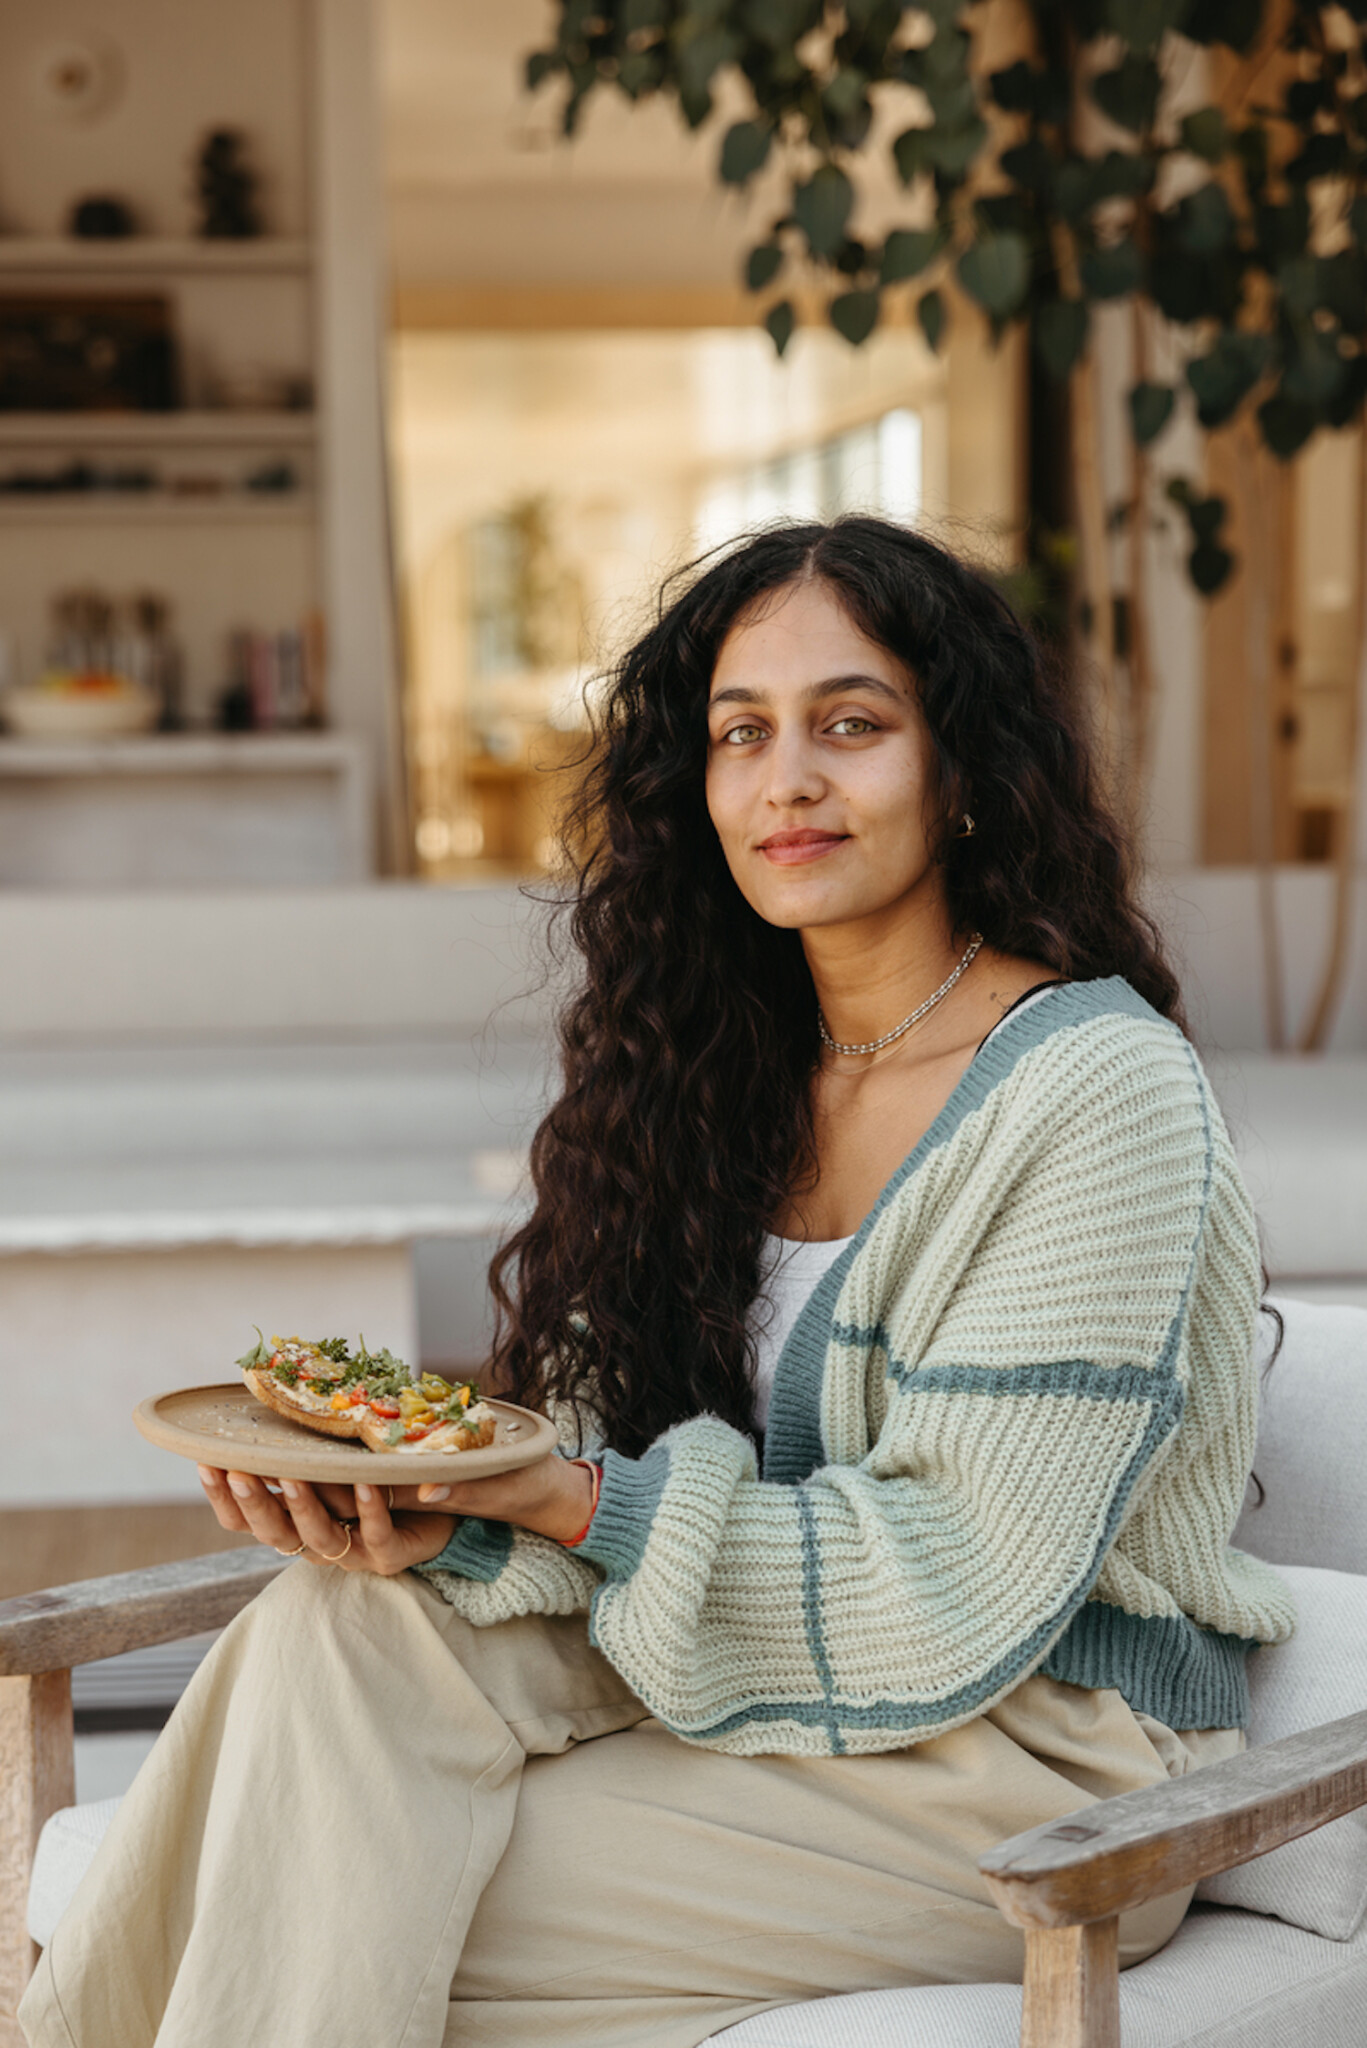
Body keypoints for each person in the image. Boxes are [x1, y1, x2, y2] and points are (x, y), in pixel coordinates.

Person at [21, 519, 1295, 2048]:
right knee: (336, 1626)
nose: (787, 781)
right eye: (740, 735)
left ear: (965, 769)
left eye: (852, 724)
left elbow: (956, 1573)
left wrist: (567, 1501)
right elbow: (595, 1480)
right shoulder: (720, 1077)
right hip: (752, 1698)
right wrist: (447, 1522)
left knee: (326, 1878)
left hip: (1041, 1763)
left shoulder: (1097, 1091)